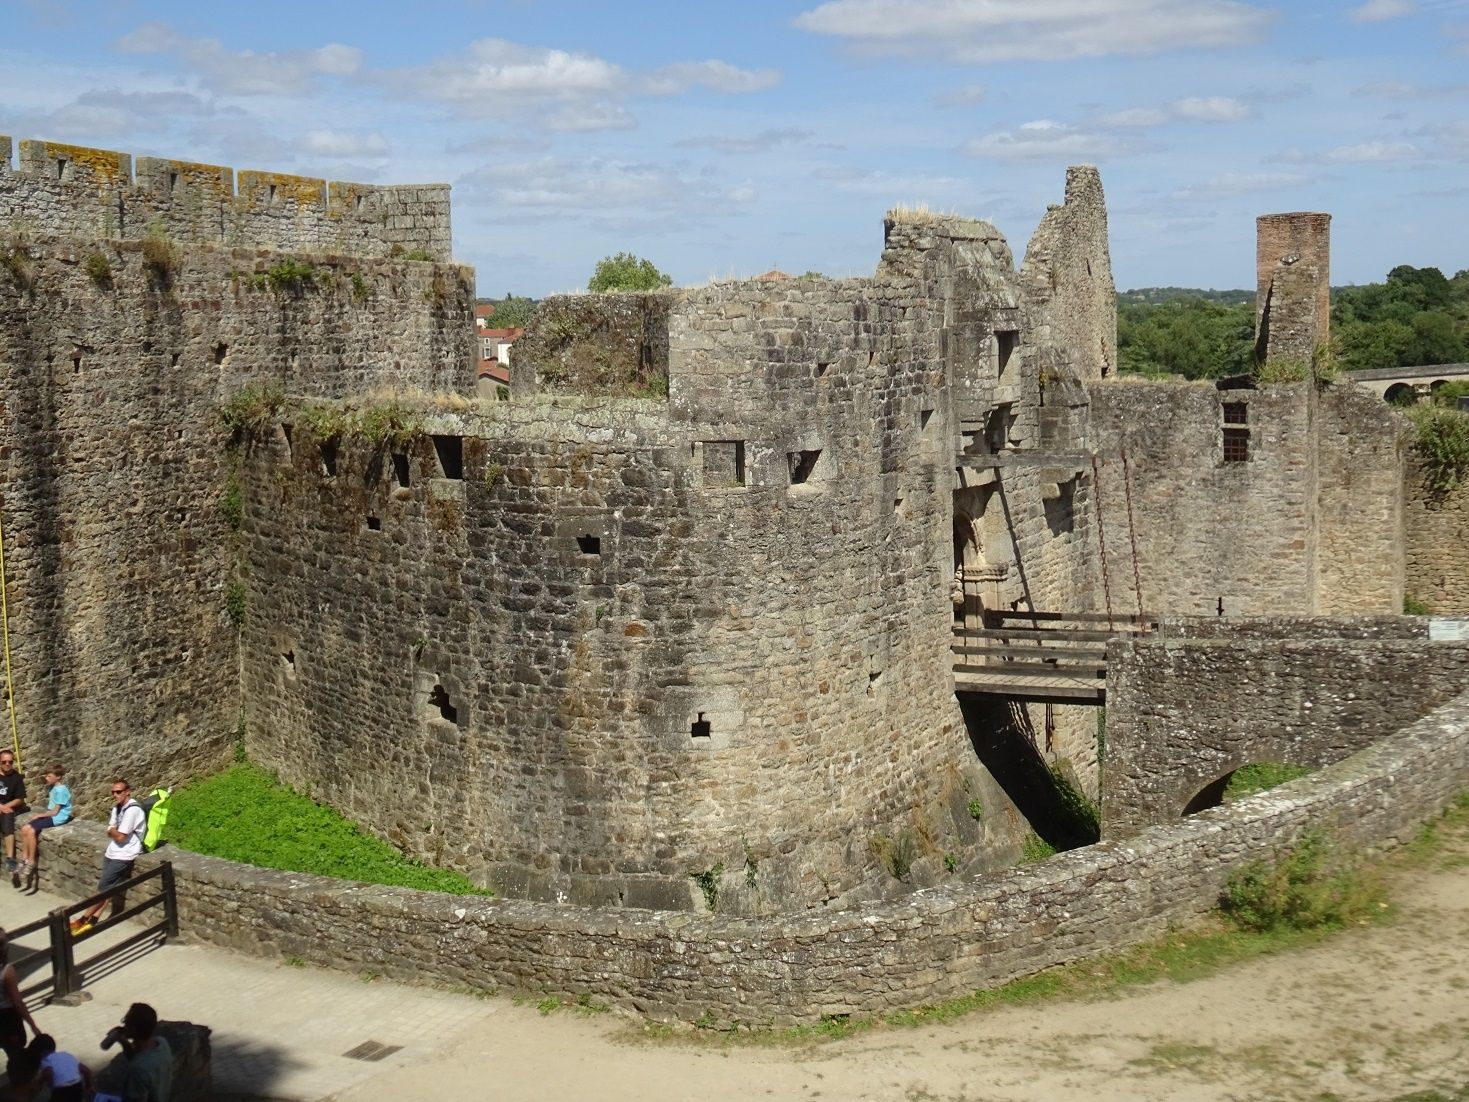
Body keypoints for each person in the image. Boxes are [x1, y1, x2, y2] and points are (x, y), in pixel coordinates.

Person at [70, 780, 145, 936]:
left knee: (101, 890)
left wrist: (113, 831)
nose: (115, 795)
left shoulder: (132, 810)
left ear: (127, 791)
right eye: (113, 792)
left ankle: (82, 919)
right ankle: (94, 919)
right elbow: (110, 832)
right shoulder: (117, 808)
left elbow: (120, 837)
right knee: (109, 889)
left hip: (124, 855)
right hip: (112, 852)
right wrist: (113, 832)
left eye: (118, 792)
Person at [14, 766, 71, 886]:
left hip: (58, 817)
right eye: (46, 776)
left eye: (49, 776)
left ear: (58, 777)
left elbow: (55, 812)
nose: (46, 778)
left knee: (31, 831)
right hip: (50, 814)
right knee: (25, 829)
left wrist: (40, 815)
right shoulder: (53, 788)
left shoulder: (61, 790)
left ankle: (31, 861)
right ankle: (24, 858)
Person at [118, 1003, 170, 1102]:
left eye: (125, 1022)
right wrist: (124, 1044)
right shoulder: (162, 1043)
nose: (123, 1025)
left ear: (133, 1029)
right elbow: (141, 1058)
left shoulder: (137, 1070)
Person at [0, 932, 39, 1062]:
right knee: (16, 1054)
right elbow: (17, 1001)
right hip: (7, 1018)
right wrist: (33, 1025)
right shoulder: (7, 971)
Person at [28, 1034, 91, 1102]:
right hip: (78, 1086)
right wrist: (88, 1087)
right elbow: (86, 1071)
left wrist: (40, 1082)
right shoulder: (66, 1055)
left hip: (61, 1090)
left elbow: (48, 1073)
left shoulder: (45, 1060)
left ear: (42, 1052)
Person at [0, 754, 27, 873]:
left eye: (10, 762)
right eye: (4, 762)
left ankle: (10, 859)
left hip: (9, 806)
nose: (7, 764)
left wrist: (5, 807)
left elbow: (20, 799)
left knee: (7, 820)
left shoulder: (16, 777)